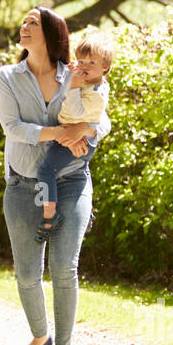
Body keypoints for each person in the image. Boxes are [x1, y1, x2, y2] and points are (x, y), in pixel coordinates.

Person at [0, 7, 109, 345]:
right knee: (27, 274)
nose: (23, 26)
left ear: (51, 33)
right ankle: (41, 336)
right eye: (23, 20)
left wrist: (85, 130)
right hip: (23, 184)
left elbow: (103, 122)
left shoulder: (77, 73)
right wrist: (62, 132)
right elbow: (12, 128)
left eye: (32, 22)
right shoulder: (7, 77)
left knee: (64, 267)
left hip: (72, 180)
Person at [33, 30, 115, 242]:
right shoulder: (88, 80)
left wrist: (74, 87)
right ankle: (85, 212)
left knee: (45, 170)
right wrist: (74, 74)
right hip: (70, 133)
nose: (84, 67)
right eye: (81, 61)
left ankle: (50, 217)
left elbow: (79, 113)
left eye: (91, 63)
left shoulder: (97, 93)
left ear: (105, 67)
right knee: (68, 171)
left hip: (82, 140)